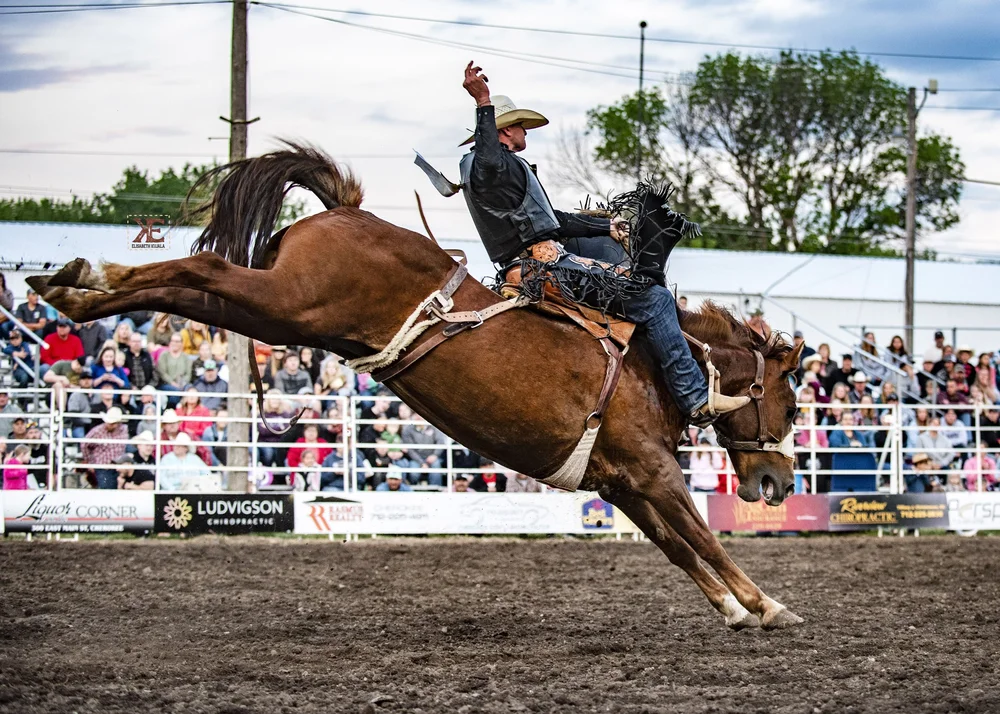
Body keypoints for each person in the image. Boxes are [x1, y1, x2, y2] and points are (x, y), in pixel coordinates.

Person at [457, 62, 749, 427]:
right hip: (546, 268)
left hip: (540, 261)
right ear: (502, 130)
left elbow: (555, 220)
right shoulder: (485, 165)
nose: (524, 132)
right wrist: (483, 102)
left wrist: (607, 226)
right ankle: (692, 396)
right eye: (518, 125)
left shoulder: (501, 171)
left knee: (636, 275)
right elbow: (488, 160)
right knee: (656, 299)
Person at [82, 407, 128, 489]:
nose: (108, 425)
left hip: (119, 468)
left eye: (111, 423)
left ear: (117, 423)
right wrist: (90, 462)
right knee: (106, 489)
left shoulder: (124, 430)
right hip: (103, 467)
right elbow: (84, 444)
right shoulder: (98, 431)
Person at [156, 333, 193, 403]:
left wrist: (182, 383)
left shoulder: (185, 357)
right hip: (166, 384)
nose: (174, 343)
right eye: (173, 341)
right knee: (176, 392)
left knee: (190, 390)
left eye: (177, 341)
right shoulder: (164, 355)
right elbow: (162, 373)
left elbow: (188, 374)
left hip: (183, 384)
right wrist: (172, 383)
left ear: (181, 343)